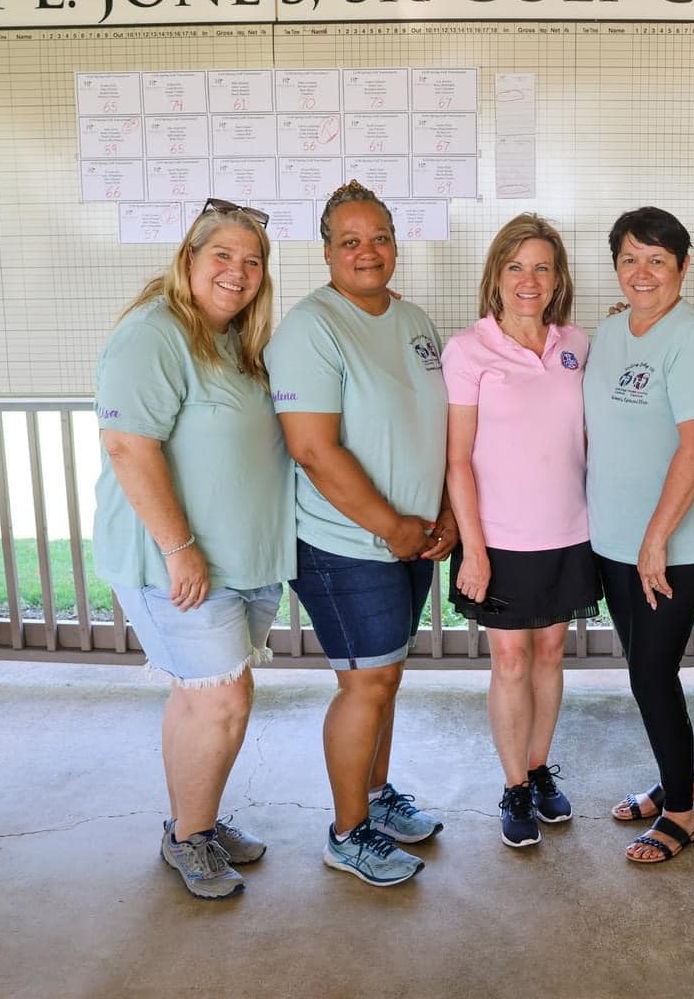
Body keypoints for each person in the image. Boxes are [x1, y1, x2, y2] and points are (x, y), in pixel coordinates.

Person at [94, 198, 293, 900]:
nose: (238, 272)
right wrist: (179, 547)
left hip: (244, 560)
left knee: (197, 698)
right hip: (178, 563)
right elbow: (127, 444)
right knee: (223, 702)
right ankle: (190, 841)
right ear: (188, 259)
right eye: (223, 256)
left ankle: (192, 824)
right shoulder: (155, 334)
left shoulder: (238, 339)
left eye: (253, 260)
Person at [265, 181, 455, 887]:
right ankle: (347, 834)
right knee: (366, 684)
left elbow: (433, 427)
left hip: (414, 538)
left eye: (378, 237)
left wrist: (445, 515)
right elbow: (314, 450)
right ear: (327, 254)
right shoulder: (311, 327)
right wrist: (391, 527)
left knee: (384, 678)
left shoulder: (413, 319)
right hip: (347, 546)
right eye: (350, 241)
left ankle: (375, 799)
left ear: (395, 245)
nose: (367, 251)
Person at [441, 213, 599, 849]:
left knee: (551, 654)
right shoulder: (469, 349)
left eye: (541, 267)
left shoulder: (578, 345)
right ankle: (512, 787)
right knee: (509, 660)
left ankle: (537, 769)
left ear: (558, 277)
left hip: (567, 531)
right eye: (515, 267)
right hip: (499, 539)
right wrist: (473, 550)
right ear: (496, 276)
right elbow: (457, 458)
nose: (528, 280)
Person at [585, 207, 694, 863]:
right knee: (643, 670)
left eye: (658, 261)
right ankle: (680, 781)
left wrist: (654, 539)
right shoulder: (611, 331)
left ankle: (682, 811)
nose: (643, 274)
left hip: (674, 544)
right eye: (630, 260)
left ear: (683, 267)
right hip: (614, 537)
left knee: (651, 671)